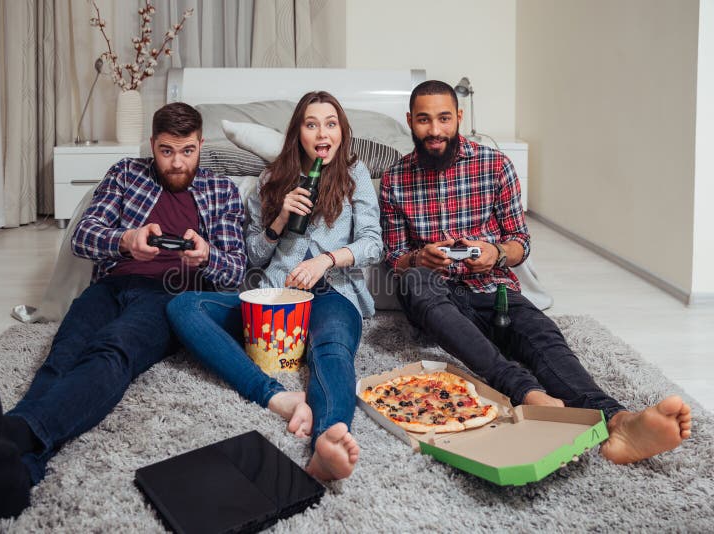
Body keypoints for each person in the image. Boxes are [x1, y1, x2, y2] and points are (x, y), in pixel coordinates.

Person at [0, 103, 246, 521]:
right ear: (152, 145)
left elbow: (236, 268)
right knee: (62, 357)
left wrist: (206, 255)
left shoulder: (223, 191)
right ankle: (16, 475)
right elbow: (84, 236)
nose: (177, 162)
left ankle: (11, 432)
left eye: (186, 151)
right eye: (166, 151)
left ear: (202, 145)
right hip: (110, 284)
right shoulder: (126, 173)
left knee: (113, 350)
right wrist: (127, 240)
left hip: (169, 294)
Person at [379, 80, 692, 465]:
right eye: (424, 120)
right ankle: (526, 393)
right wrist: (419, 259)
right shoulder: (395, 179)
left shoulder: (496, 166)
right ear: (410, 121)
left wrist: (495, 254)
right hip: (434, 294)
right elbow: (395, 257)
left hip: (494, 288)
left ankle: (620, 421)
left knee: (541, 336)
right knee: (413, 280)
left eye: (444, 118)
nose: (435, 131)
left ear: (459, 117)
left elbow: (520, 243)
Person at [167, 91, 383, 481]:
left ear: (342, 131)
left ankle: (327, 438)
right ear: (298, 132)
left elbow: (373, 242)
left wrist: (326, 260)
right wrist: (280, 218)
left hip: (332, 294)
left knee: (332, 350)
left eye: (330, 124)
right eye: (311, 124)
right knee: (184, 307)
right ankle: (272, 394)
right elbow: (252, 253)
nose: (322, 132)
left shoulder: (355, 173)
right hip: (275, 296)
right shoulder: (271, 179)